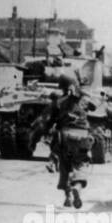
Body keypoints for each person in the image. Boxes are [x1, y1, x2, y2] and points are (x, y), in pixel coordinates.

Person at [31, 72, 91, 208]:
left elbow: (45, 123)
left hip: (63, 137)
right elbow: (94, 105)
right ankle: (77, 187)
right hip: (82, 136)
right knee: (81, 165)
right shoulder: (84, 100)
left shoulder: (57, 103)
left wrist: (35, 140)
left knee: (64, 167)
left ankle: (68, 197)